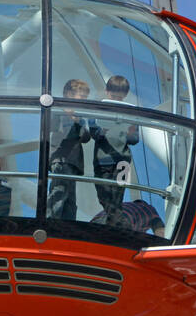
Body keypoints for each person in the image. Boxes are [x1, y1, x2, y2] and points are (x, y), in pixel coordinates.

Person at [90, 75, 140, 218]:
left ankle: (114, 223)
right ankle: (116, 222)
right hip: (103, 160)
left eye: (120, 98)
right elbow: (94, 133)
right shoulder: (98, 109)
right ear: (107, 92)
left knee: (117, 198)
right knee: (103, 196)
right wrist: (102, 130)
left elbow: (134, 140)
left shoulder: (130, 113)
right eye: (114, 97)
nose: (117, 101)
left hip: (122, 160)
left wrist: (131, 132)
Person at [46, 78, 92, 221]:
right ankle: (52, 221)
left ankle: (67, 224)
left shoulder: (80, 117)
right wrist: (67, 115)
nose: (84, 100)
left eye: (85, 97)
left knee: (70, 197)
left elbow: (85, 137)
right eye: (82, 96)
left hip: (73, 162)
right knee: (59, 191)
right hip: (62, 159)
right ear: (69, 95)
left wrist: (78, 122)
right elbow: (52, 128)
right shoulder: (59, 111)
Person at [93, 198, 166, 238]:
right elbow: (161, 232)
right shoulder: (150, 209)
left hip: (96, 222)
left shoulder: (126, 204)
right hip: (120, 224)